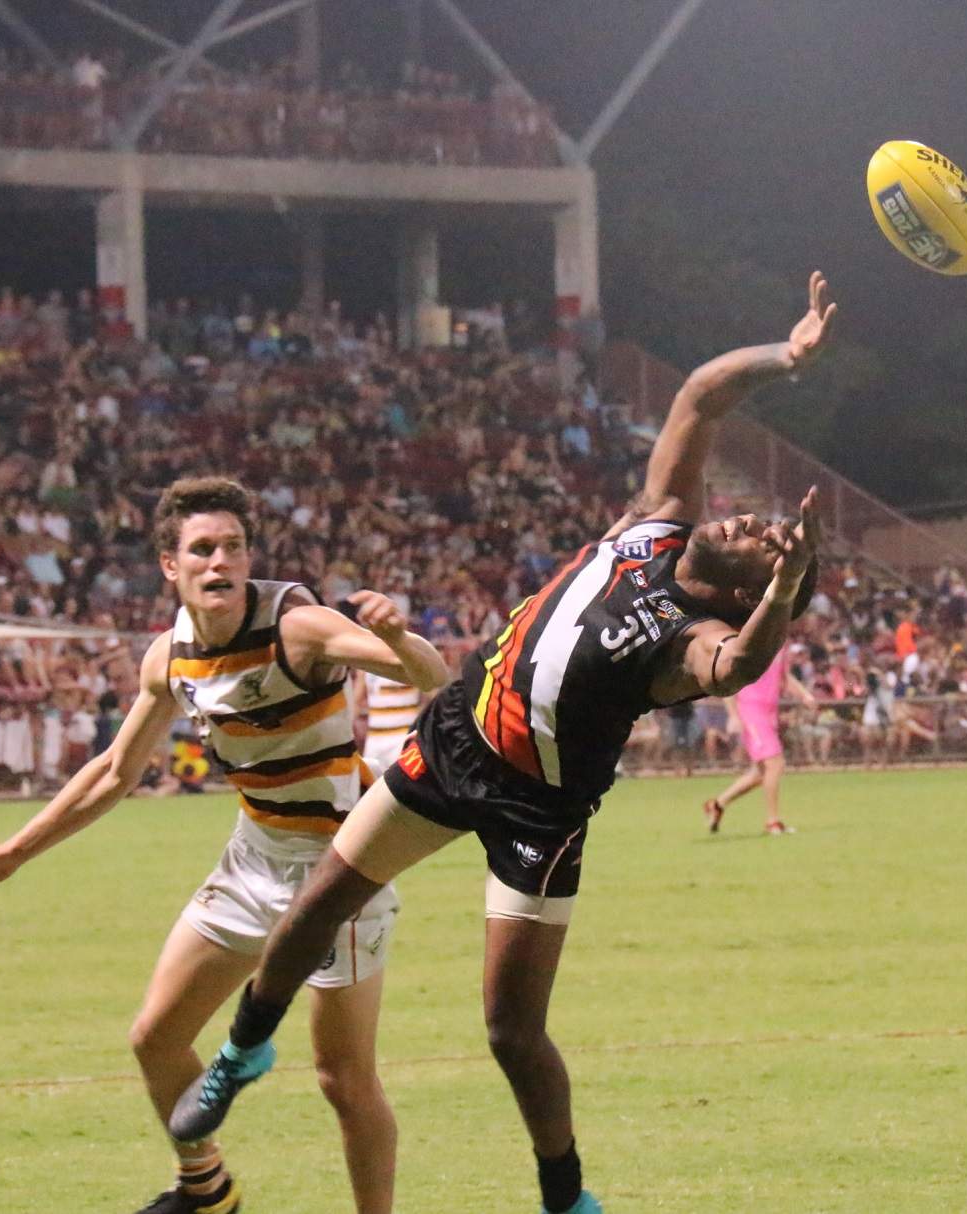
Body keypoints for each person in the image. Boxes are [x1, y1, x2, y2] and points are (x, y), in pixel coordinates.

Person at [169, 271, 836, 1214]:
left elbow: (735, 667)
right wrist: (788, 357)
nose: (752, 523)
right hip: (455, 739)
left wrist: (783, 588)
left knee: (510, 1032)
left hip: (540, 810)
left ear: (743, 592)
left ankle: (564, 1195)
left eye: (766, 545)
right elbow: (698, 395)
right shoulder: (659, 520)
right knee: (319, 900)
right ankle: (242, 1052)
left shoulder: (692, 638)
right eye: (765, 527)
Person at [0, 476, 450, 1214]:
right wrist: (12, 853)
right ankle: (206, 1189)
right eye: (203, 549)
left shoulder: (297, 628)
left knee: (343, 1080)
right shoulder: (170, 657)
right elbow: (115, 772)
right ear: (169, 566)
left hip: (337, 873)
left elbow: (431, 674)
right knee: (156, 1037)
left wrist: (398, 635)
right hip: (252, 860)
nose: (221, 563)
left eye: (234, 547)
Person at [701, 641, 817, 834]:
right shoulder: (751, 639)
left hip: (769, 713)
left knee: (760, 773)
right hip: (751, 710)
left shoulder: (780, 643)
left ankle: (717, 805)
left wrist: (804, 695)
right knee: (775, 764)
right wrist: (733, 715)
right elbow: (731, 678)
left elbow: (784, 677)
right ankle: (772, 821)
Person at [354, 669, 423, 773]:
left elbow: (429, 693)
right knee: (373, 784)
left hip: (404, 737)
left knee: (404, 784)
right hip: (375, 740)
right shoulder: (367, 663)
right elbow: (356, 702)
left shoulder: (412, 658)